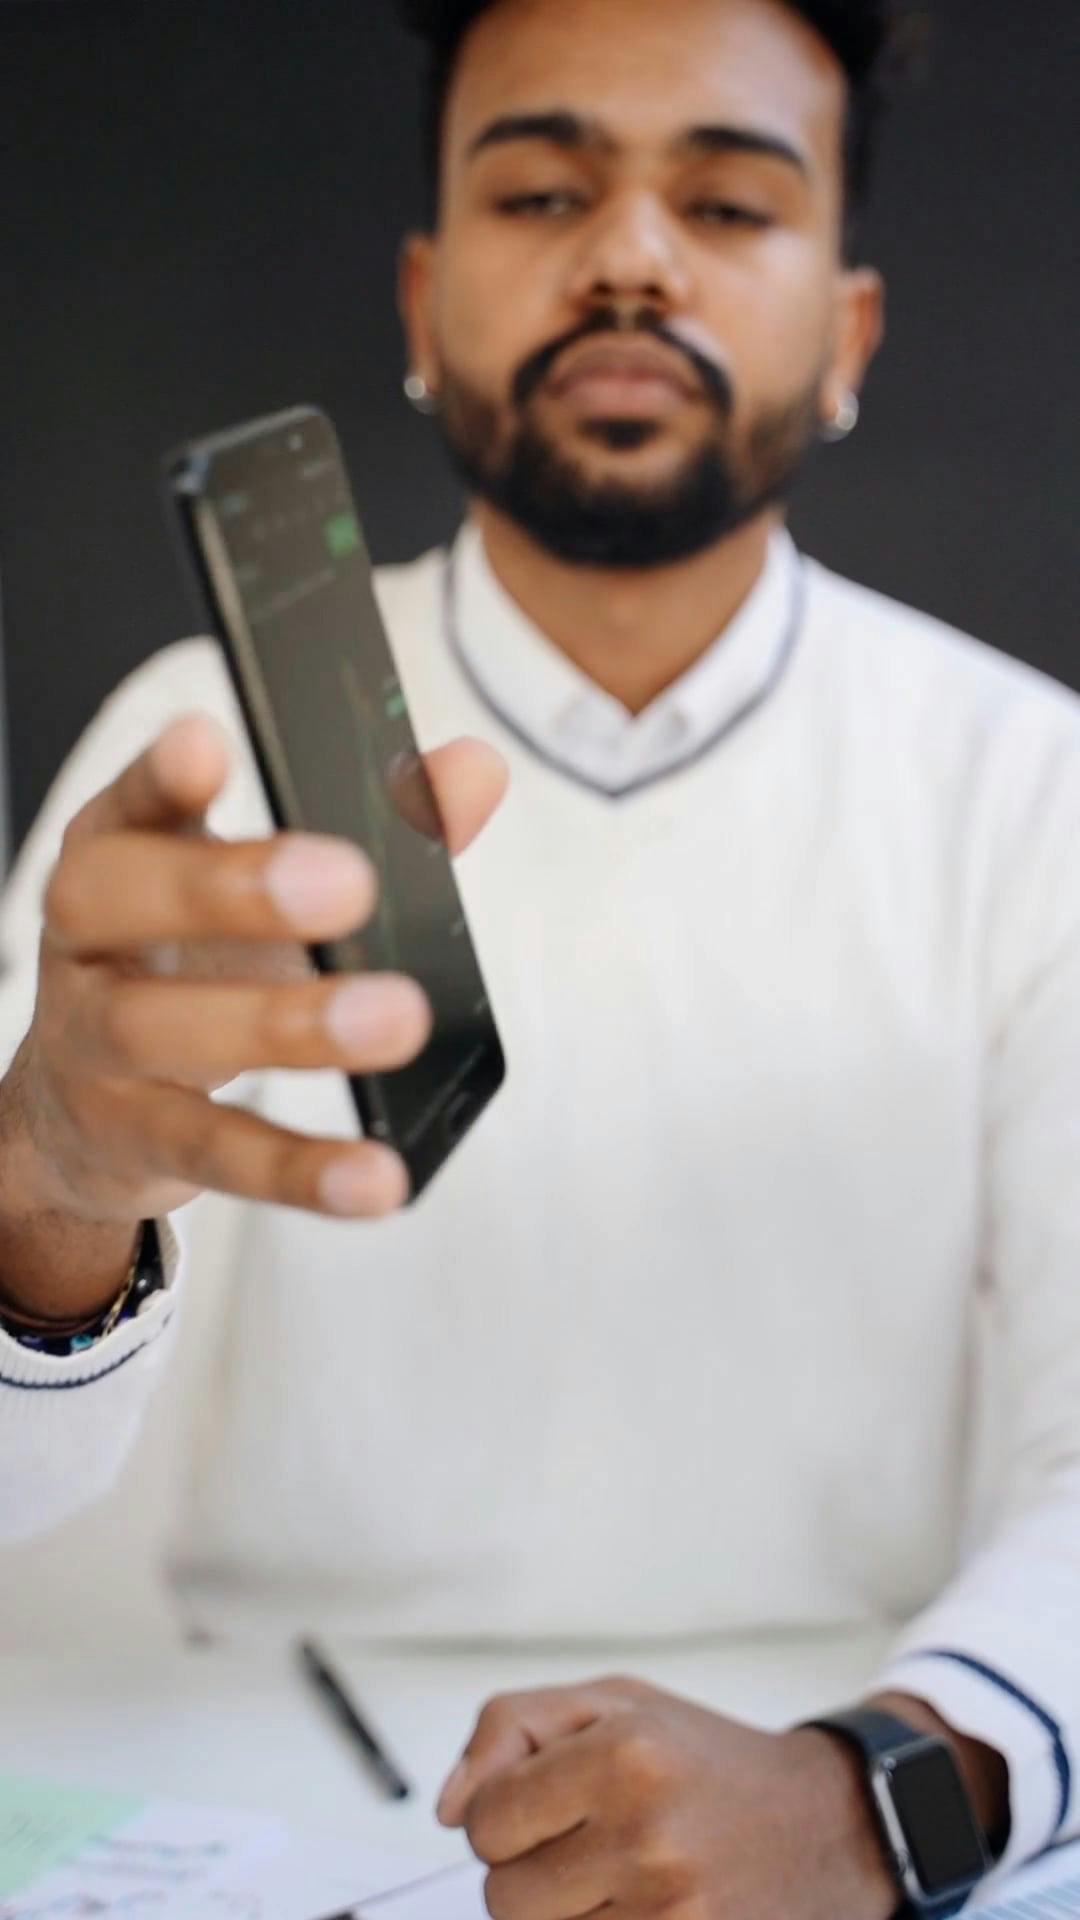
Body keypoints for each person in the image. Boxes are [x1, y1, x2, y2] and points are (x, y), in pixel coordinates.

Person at [1, 0, 1079, 1912]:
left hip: (849, 1762)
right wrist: (42, 1203)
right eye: (546, 186)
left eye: (731, 205)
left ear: (848, 332)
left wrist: (875, 1792)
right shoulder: (197, 755)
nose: (631, 254)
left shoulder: (1029, 791)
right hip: (272, 1795)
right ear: (424, 306)